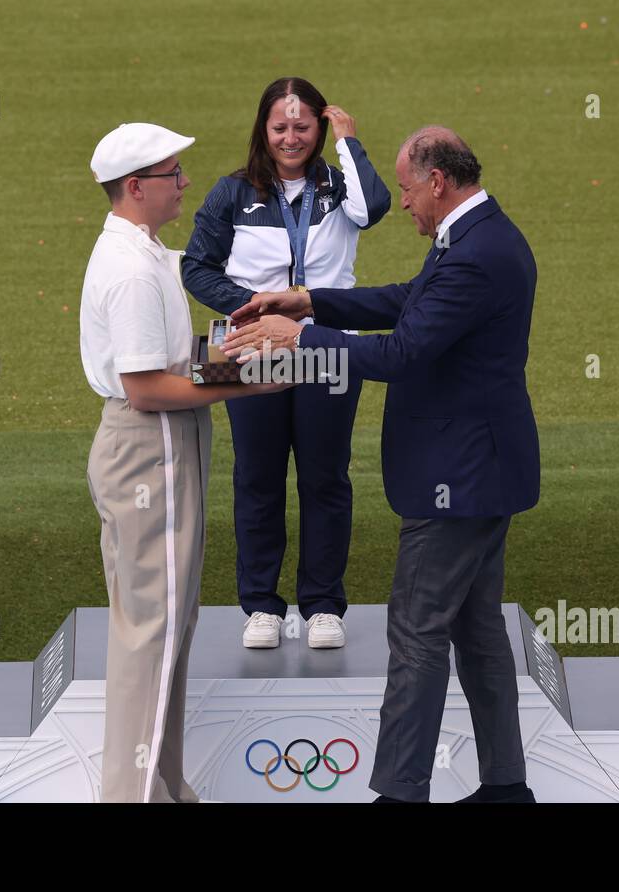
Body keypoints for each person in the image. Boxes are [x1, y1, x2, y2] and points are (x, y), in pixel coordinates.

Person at [226, 126, 538, 804]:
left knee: (418, 632)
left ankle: (400, 793)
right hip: (481, 468)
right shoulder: (476, 236)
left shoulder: (473, 253)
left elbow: (400, 354)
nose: (401, 204)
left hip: (456, 478)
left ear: (436, 182)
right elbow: (408, 299)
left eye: (404, 189)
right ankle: (506, 787)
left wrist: (301, 337)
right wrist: (309, 300)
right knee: (477, 631)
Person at [82, 122, 290, 803]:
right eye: (173, 174)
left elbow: (169, 365)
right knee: (151, 632)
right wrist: (255, 382)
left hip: (163, 447)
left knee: (168, 625)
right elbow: (145, 388)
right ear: (136, 187)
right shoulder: (133, 270)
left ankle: (163, 787)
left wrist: (229, 358)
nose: (186, 184)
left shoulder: (145, 253)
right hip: (151, 450)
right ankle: (135, 796)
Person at [182, 77, 390, 652]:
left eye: (304, 126)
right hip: (257, 350)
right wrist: (249, 309)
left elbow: (372, 209)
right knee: (258, 477)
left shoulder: (339, 186)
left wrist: (349, 144)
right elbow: (196, 267)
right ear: (262, 130)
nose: (292, 137)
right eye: (280, 127)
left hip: (329, 346)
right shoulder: (233, 192)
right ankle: (261, 606)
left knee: (326, 477)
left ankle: (323, 604)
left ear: (321, 128)